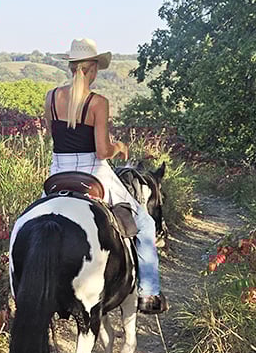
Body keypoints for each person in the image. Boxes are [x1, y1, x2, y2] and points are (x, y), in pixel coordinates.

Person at [44, 37, 168, 314]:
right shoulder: (97, 102)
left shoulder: (51, 98)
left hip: (58, 173)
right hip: (93, 174)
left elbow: (55, 135)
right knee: (145, 224)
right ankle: (149, 294)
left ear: (71, 67)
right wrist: (119, 147)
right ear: (93, 69)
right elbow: (101, 151)